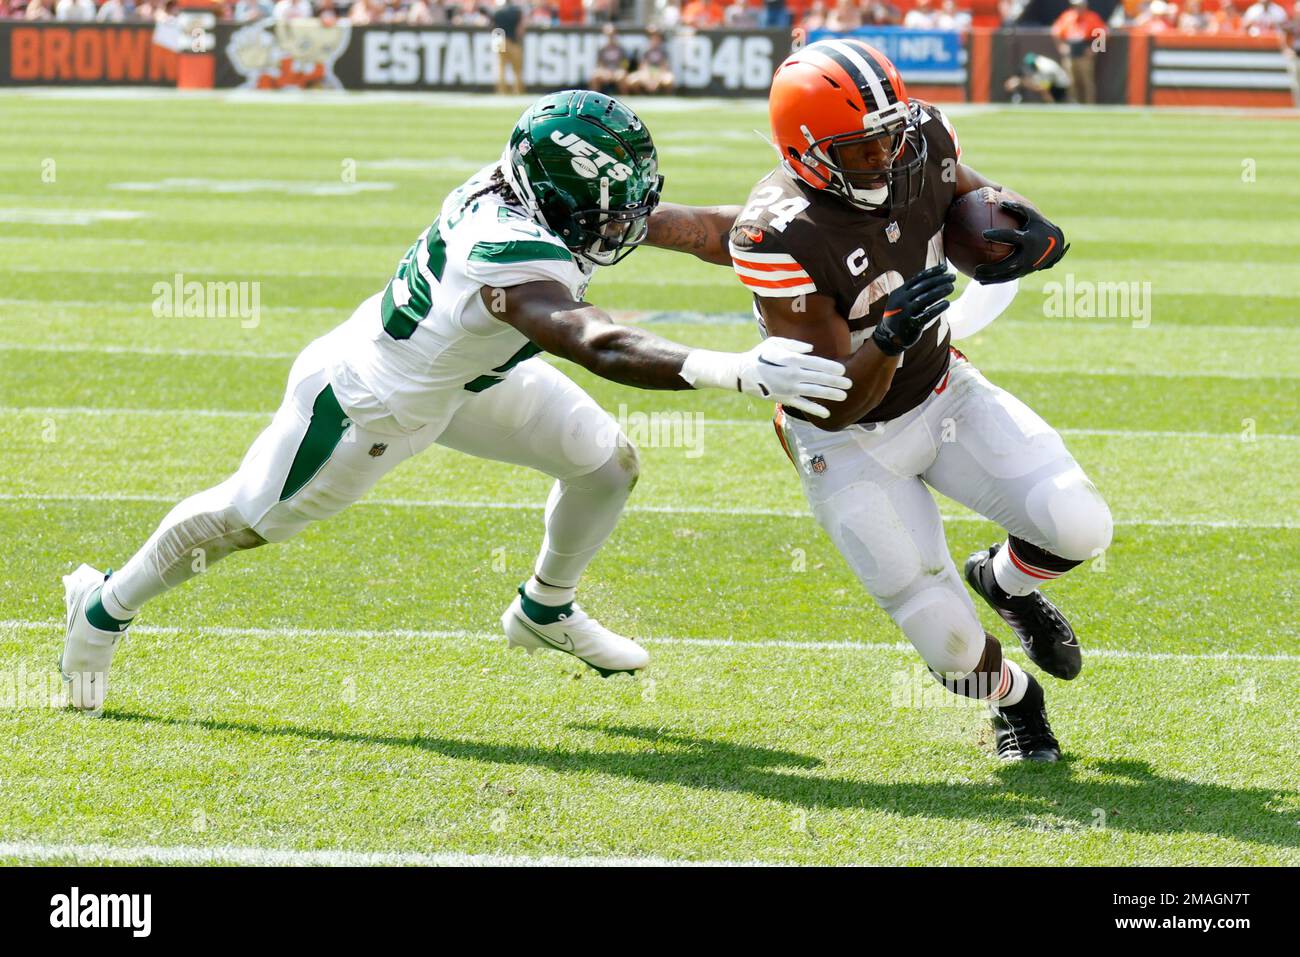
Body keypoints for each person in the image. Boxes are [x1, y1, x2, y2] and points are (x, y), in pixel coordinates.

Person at [59, 91, 850, 716]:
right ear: (553, 197)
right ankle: (102, 607)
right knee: (243, 522)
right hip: (372, 405)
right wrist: (735, 370)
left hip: (472, 378)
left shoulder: (546, 189)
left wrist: (795, 232)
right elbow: (593, 339)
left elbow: (684, 228)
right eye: (607, 211)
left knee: (607, 465)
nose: (622, 223)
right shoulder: (505, 244)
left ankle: (545, 608)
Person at [727, 40, 1108, 762]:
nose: (889, 155)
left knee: (1079, 523)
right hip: (845, 439)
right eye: (863, 149)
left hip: (941, 389)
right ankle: (1019, 703)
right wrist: (891, 334)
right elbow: (835, 401)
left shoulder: (918, 138)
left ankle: (1003, 581)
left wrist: (1020, 233)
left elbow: (966, 198)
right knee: (950, 642)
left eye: (892, 134)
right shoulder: (776, 233)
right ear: (805, 153)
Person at [1051, 0, 1106, 104]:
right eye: (1075, 6)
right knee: (1070, 82)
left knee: (1087, 82)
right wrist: (1061, 46)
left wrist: (1093, 49)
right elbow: (1055, 31)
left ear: (1085, 6)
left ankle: (1090, 105)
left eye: (1080, 5)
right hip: (1070, 53)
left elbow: (1103, 33)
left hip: (1084, 54)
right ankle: (1074, 105)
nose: (1078, 8)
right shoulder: (1067, 16)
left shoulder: (1092, 17)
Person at [1006, 50, 1070, 102]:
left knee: (1055, 99)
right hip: (1052, 81)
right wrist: (1016, 81)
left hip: (1059, 85)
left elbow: (1044, 88)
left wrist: (1025, 84)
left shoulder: (1046, 68)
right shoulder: (1038, 62)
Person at [626, 27, 675, 93]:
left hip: (660, 73)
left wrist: (656, 80)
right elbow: (642, 67)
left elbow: (664, 67)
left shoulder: (664, 50)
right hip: (646, 73)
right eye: (652, 36)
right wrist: (648, 79)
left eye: (656, 36)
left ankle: (667, 97)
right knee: (631, 80)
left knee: (669, 80)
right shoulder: (644, 49)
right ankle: (640, 96)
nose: (654, 39)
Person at [492, 0, 526, 95]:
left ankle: (502, 90)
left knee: (501, 67)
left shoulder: (497, 11)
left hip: (500, 40)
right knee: (517, 69)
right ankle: (518, 90)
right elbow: (520, 28)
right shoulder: (516, 11)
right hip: (513, 41)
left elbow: (494, 27)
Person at [589, 23, 629, 94]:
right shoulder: (602, 49)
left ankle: (625, 97)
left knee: (622, 76)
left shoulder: (621, 49)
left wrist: (618, 71)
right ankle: (594, 96)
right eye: (608, 35)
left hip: (617, 71)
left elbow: (624, 65)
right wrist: (606, 72)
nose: (610, 37)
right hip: (605, 71)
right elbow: (600, 65)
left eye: (612, 34)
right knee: (595, 76)